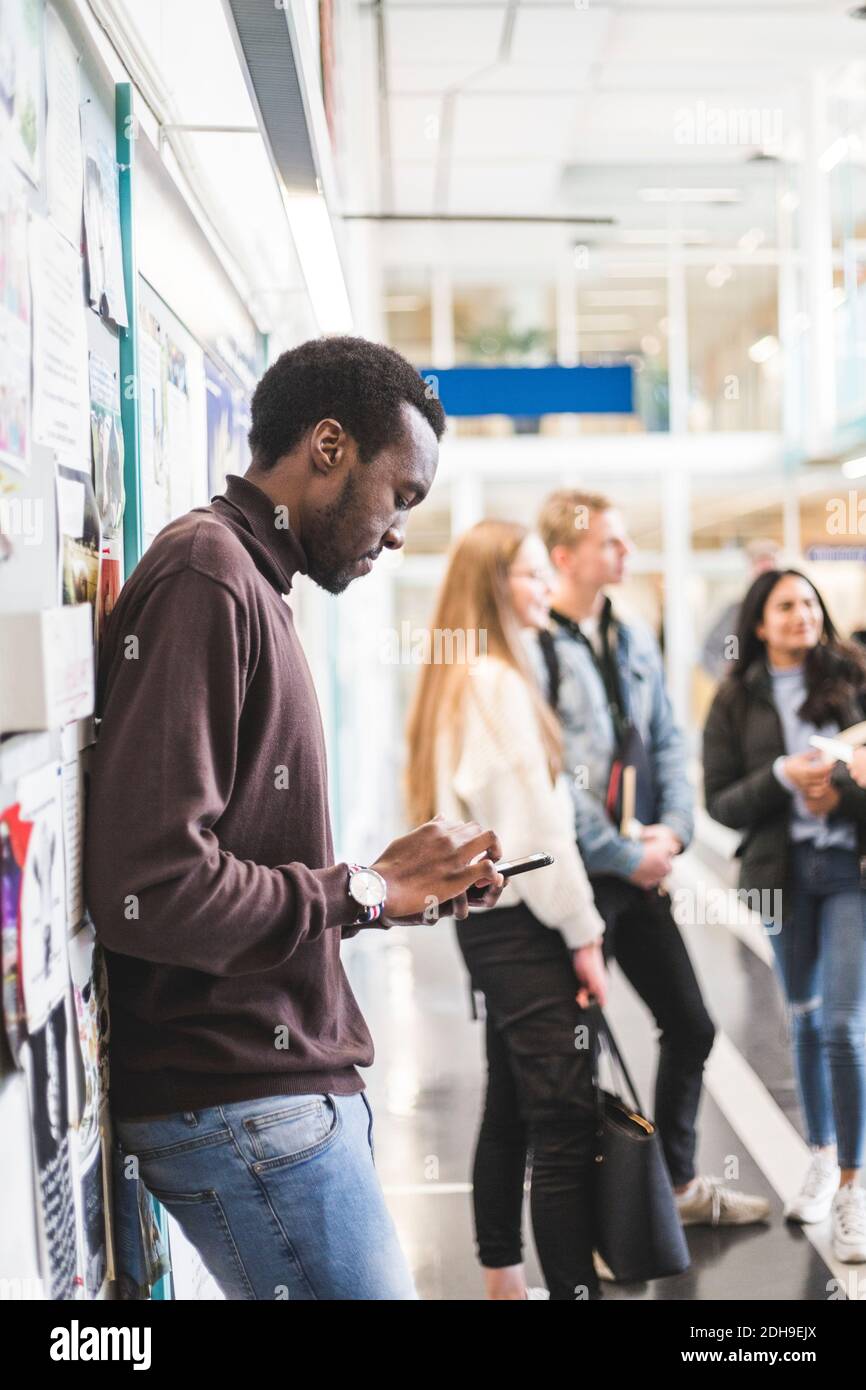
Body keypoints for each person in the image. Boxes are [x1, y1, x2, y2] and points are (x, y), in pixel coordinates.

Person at [84, 336, 507, 1301]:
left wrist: (379, 894)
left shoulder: (250, 581)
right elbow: (151, 887)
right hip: (239, 1101)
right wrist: (358, 887)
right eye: (401, 495)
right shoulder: (208, 574)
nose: (399, 531)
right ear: (327, 447)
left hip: (272, 1096)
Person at [533, 488, 770, 1230]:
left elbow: (667, 738)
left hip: (638, 869)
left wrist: (671, 831)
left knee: (691, 1024)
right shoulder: (536, 644)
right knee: (575, 1054)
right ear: (566, 555)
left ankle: (676, 1186)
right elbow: (547, 773)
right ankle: (599, 1223)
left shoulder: (630, 635)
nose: (626, 554)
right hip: (575, 878)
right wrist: (620, 852)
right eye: (612, 542)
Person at [404, 520, 608, 1302]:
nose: (545, 590)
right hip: (524, 925)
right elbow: (537, 833)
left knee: (515, 1101)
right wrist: (585, 933)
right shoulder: (492, 682)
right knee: (564, 1119)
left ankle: (503, 1276)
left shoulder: (462, 680)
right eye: (528, 576)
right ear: (492, 587)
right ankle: (566, 1291)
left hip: (491, 927)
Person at [703, 569, 866, 1262]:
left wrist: (846, 792)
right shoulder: (737, 701)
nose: (802, 615)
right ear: (759, 623)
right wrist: (779, 779)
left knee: (840, 1023)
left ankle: (857, 1187)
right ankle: (823, 1160)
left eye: (809, 603)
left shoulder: (855, 676)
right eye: (785, 606)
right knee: (800, 1015)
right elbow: (718, 801)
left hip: (849, 874)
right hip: (782, 876)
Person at [700, 538, 782, 681]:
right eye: (760, 567)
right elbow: (714, 650)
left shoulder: (788, 610)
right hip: (746, 691)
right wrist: (727, 675)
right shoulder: (735, 613)